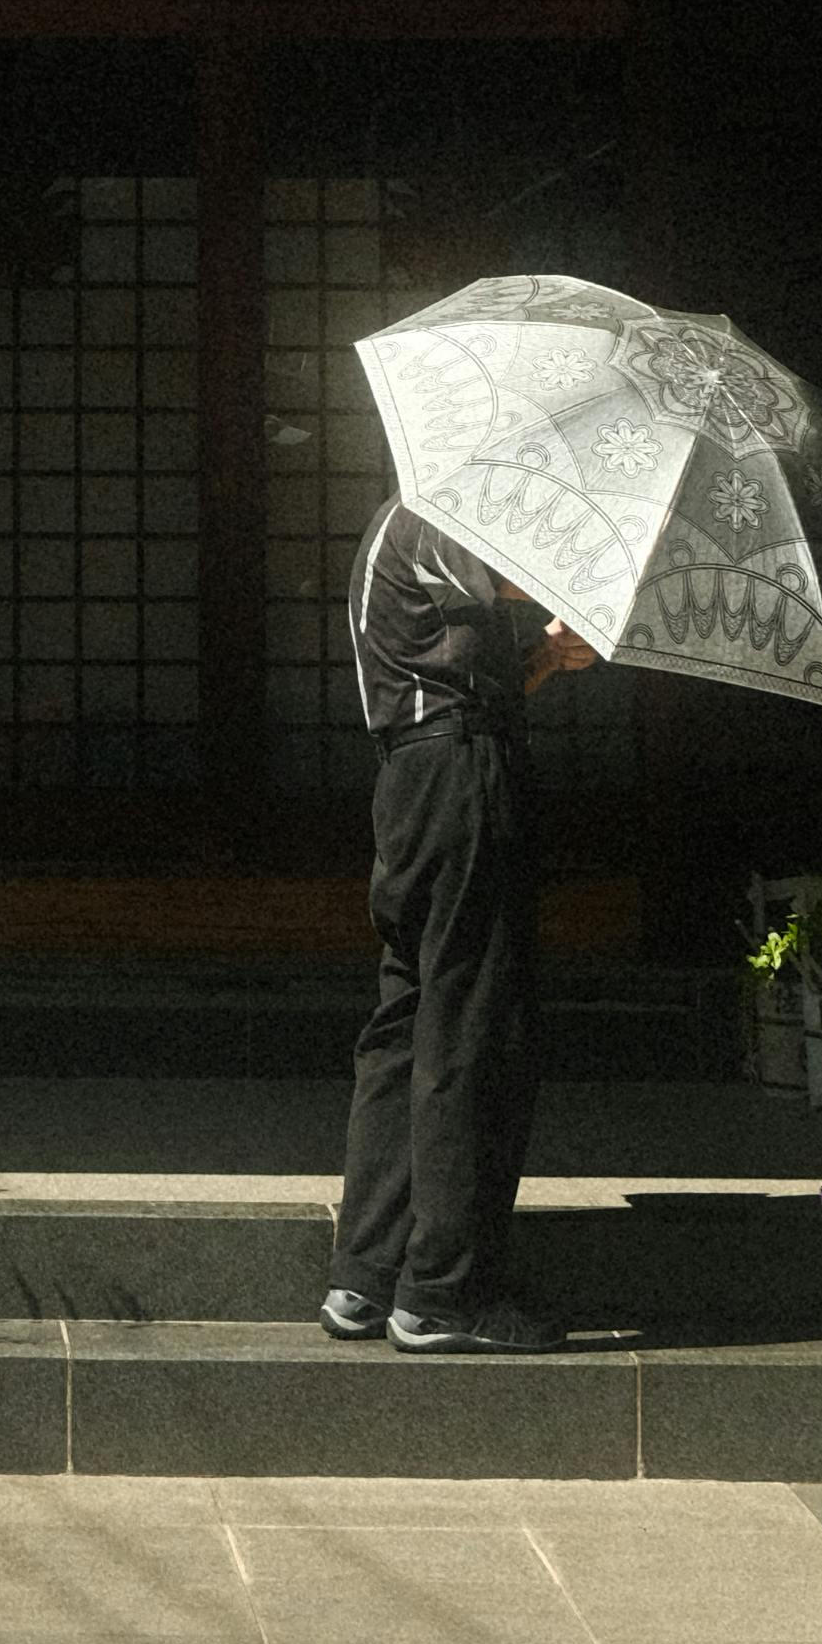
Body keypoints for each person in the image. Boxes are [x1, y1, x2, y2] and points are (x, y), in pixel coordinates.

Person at [324, 500, 591, 1354]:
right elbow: (507, 585)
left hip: (419, 776)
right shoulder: (429, 514)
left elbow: (471, 666)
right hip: (456, 779)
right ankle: (442, 1292)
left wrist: (548, 652)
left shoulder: (414, 532)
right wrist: (586, 584)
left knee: (406, 1026)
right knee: (471, 1027)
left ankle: (365, 1277)